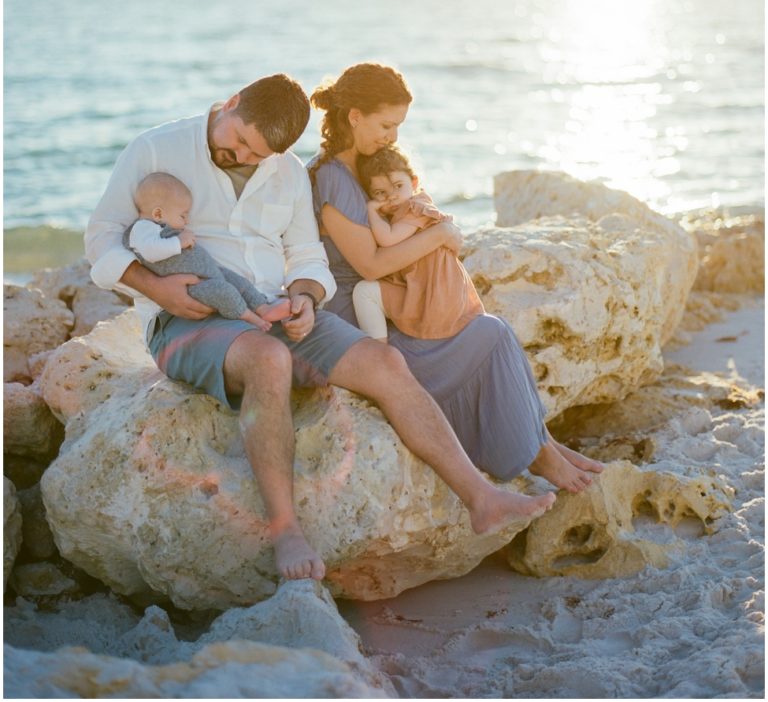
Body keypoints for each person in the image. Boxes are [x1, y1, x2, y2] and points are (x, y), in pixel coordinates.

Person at [86, 73, 557, 585]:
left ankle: (482, 498)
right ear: (231, 103)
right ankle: (286, 529)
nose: (243, 158)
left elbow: (307, 256)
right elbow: (102, 237)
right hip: (187, 314)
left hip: (275, 307)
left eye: (257, 155)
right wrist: (156, 290)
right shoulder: (155, 148)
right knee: (270, 361)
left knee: (385, 362)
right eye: (239, 141)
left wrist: (306, 299)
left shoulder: (286, 171)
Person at [309, 62, 604, 491]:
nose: (392, 137)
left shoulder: (366, 166)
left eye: (398, 127)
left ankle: (543, 442)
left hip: (392, 297)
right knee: (491, 335)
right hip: (361, 318)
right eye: (386, 125)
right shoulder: (333, 179)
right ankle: (537, 458)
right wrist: (442, 234)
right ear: (354, 116)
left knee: (494, 328)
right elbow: (370, 265)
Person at [125, 171, 291, 330]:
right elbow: (150, 252)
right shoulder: (142, 229)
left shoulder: (157, 225)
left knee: (240, 282)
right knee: (224, 293)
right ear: (158, 213)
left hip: (210, 272)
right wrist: (179, 242)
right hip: (194, 284)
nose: (187, 221)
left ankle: (263, 308)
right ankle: (249, 316)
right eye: (183, 216)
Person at [352, 146, 484, 341]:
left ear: (414, 182)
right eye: (381, 192)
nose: (392, 196)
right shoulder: (410, 210)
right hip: (434, 293)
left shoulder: (415, 208)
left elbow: (388, 239)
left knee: (364, 292)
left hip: (433, 299)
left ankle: (378, 350)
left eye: (398, 186)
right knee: (366, 291)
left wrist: (371, 210)